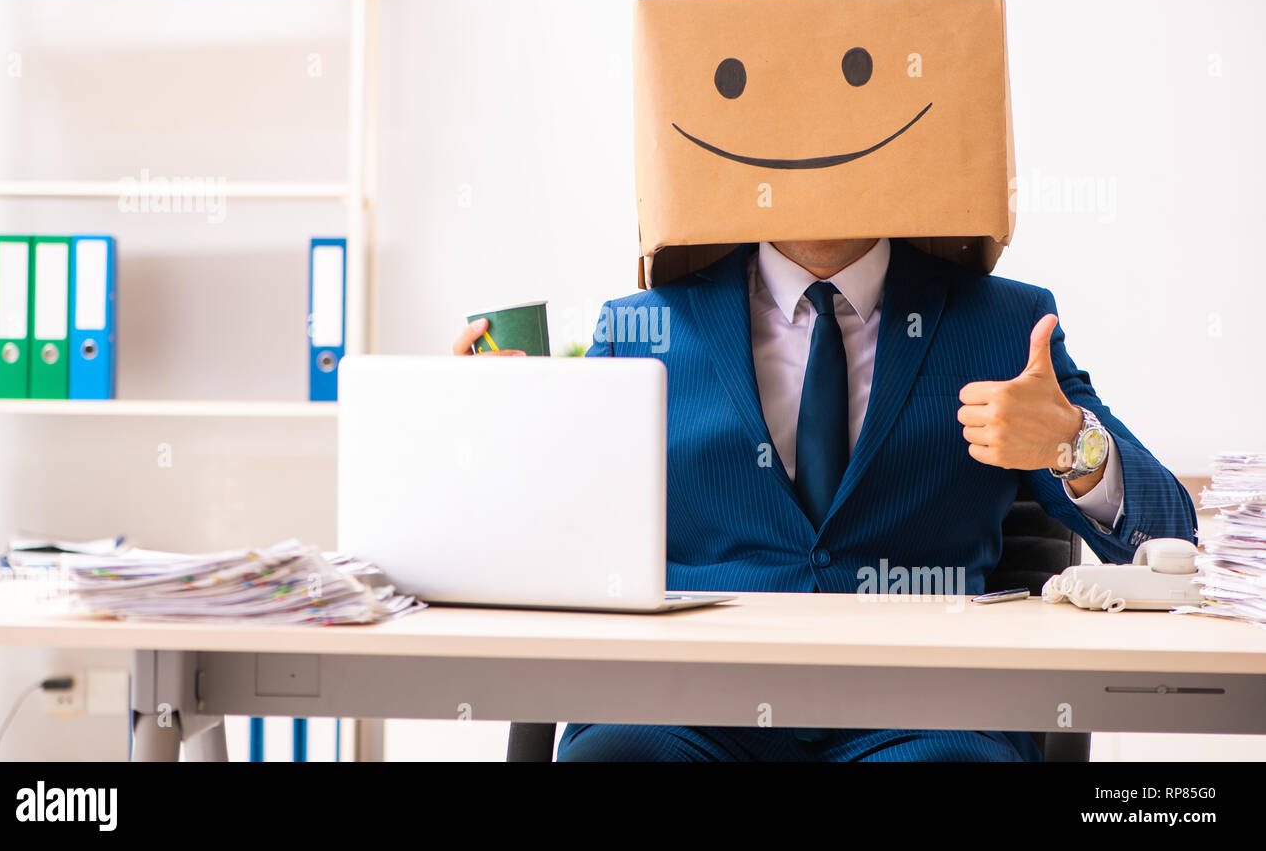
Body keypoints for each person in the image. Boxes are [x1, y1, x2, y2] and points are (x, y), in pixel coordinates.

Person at [453, 236, 1197, 761]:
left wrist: (1074, 442)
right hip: (683, 707)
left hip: (925, 713)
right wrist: (507, 433)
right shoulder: (640, 324)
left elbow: (1173, 532)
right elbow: (555, 546)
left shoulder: (1004, 321)